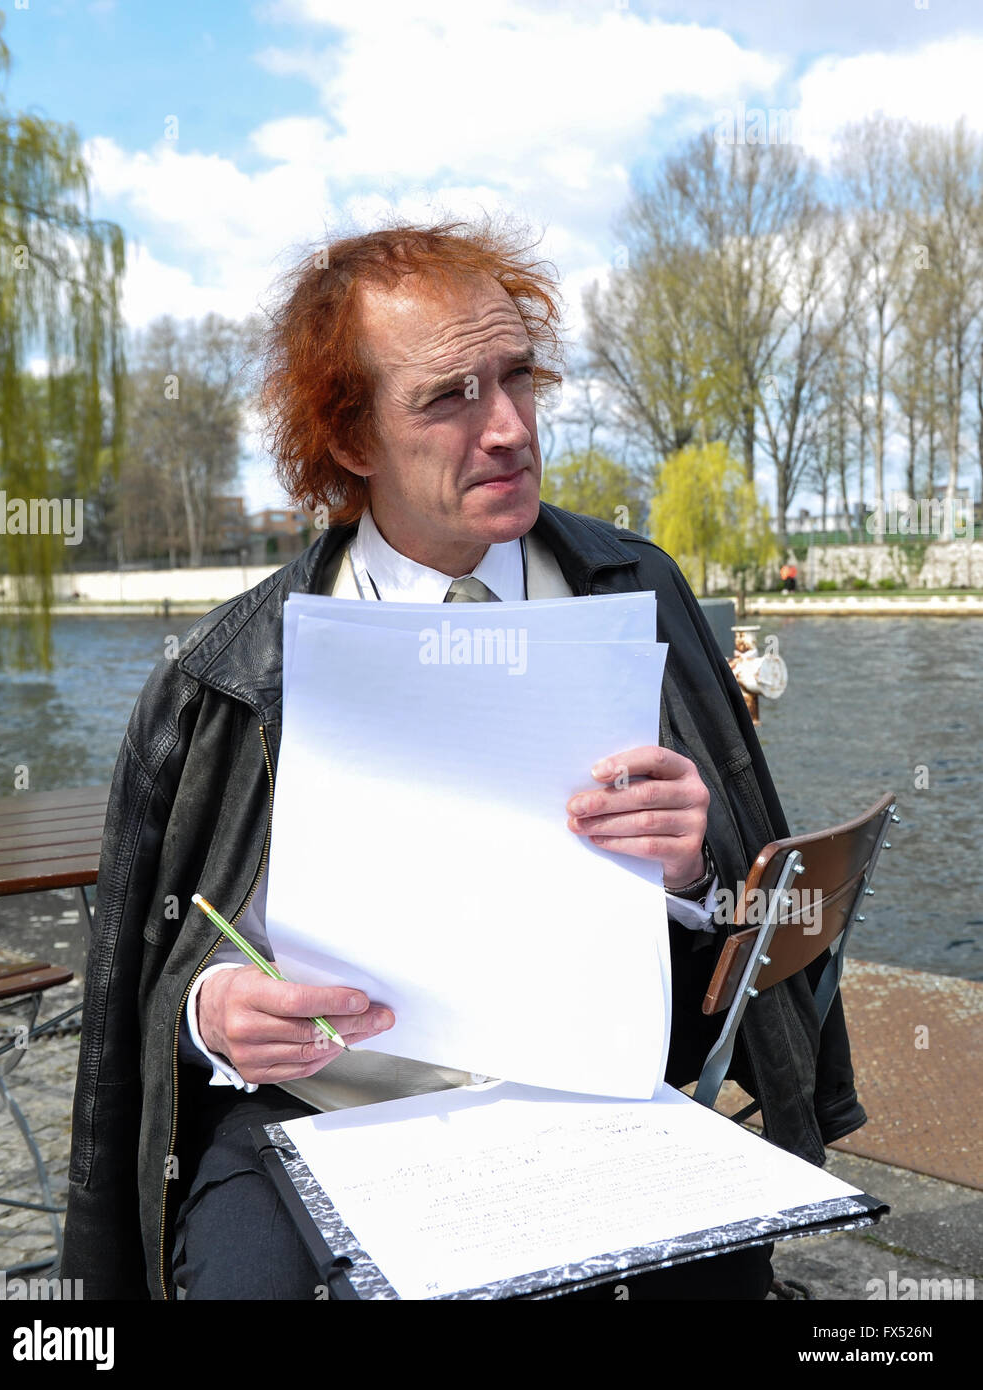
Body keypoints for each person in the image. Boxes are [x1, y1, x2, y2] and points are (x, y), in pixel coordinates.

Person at [61, 220, 865, 1301]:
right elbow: (161, 968)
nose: (509, 429)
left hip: (600, 1099)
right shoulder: (228, 671)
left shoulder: (637, 588)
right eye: (449, 397)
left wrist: (688, 868)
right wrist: (217, 1014)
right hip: (320, 1113)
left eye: (519, 377)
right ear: (350, 439)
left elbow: (748, 901)